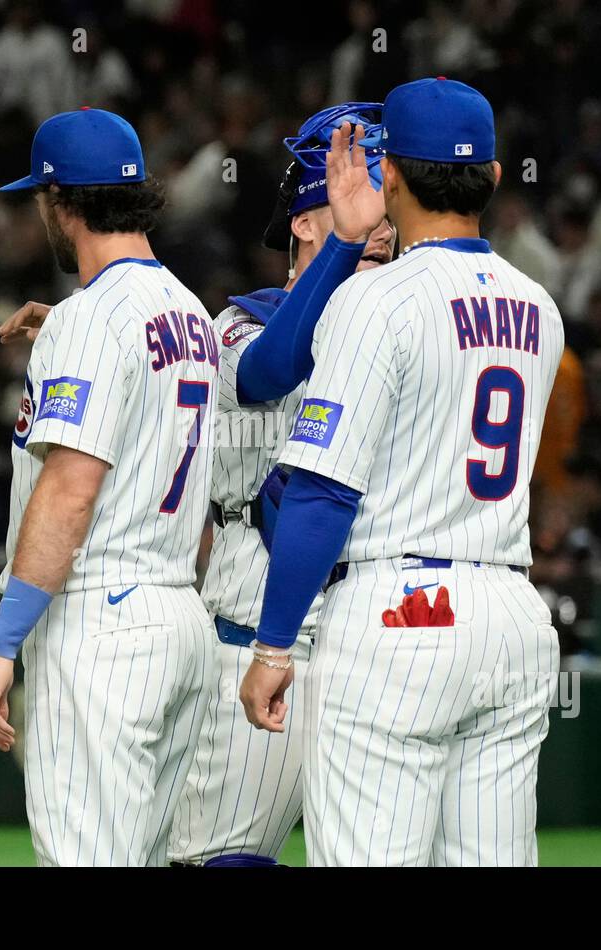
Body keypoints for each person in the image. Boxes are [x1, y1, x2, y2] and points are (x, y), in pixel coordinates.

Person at [240, 78, 566, 866]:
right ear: (492, 177)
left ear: (388, 178)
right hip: (513, 611)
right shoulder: (540, 307)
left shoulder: (377, 301)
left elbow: (322, 492)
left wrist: (274, 645)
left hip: (399, 610)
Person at [0, 109, 218, 866]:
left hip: (102, 619)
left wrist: (2, 643)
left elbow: (71, 490)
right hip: (179, 612)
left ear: (60, 202)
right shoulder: (190, 311)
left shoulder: (91, 319)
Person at [166, 104, 392, 866]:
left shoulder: (409, 320)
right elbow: (267, 373)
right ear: (302, 223)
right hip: (254, 636)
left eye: (384, 194)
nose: (378, 215)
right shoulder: (239, 320)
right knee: (221, 855)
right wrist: (349, 251)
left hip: (375, 640)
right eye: (352, 193)